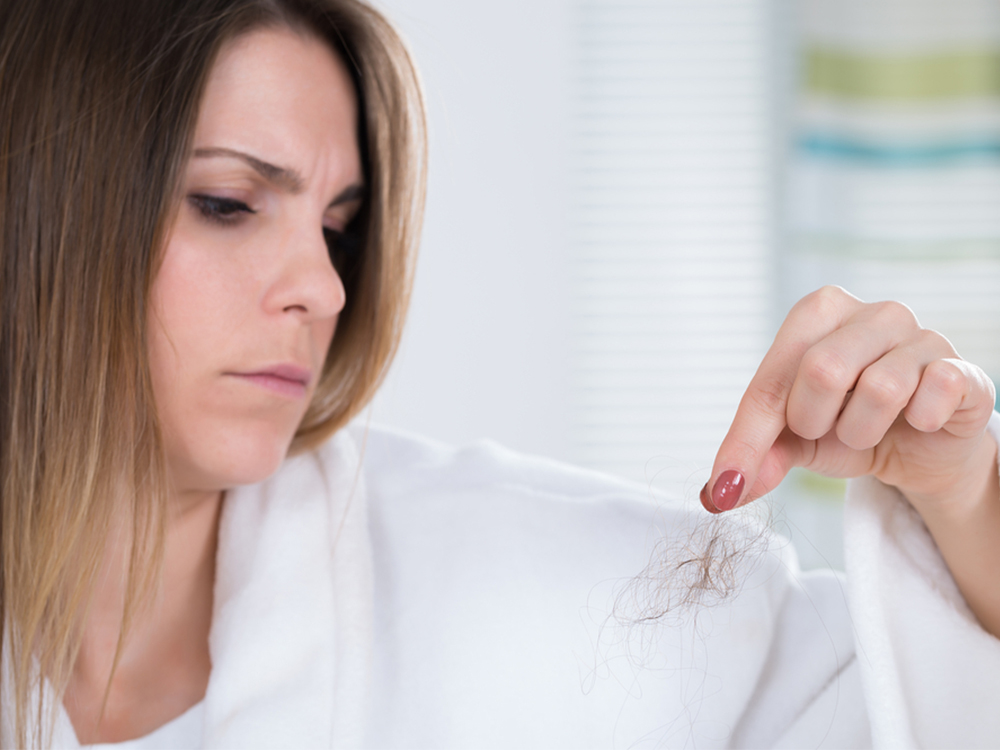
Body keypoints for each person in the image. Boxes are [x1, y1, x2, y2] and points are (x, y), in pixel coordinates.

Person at [1, 0, 998, 747]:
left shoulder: (566, 598)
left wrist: (968, 500)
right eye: (228, 203)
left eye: (339, 227)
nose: (324, 288)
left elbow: (911, 706)